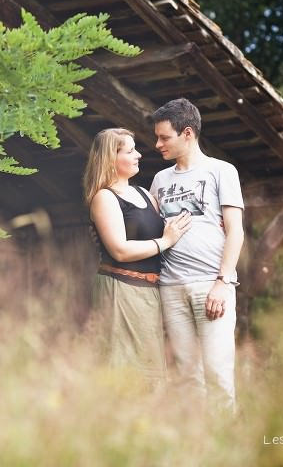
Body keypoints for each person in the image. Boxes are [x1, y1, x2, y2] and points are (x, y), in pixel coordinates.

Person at [148, 98, 245, 412]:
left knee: (218, 371)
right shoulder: (160, 180)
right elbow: (148, 227)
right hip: (171, 287)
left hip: (211, 286)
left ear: (187, 133)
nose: (157, 144)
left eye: (164, 137)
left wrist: (222, 281)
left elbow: (236, 231)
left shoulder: (221, 171)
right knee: (188, 375)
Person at [83, 127, 191, 389]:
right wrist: (165, 242)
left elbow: (170, 228)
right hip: (121, 288)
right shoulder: (104, 197)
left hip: (150, 292)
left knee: (151, 371)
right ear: (111, 158)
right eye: (130, 151)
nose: (139, 155)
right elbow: (120, 250)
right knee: (123, 369)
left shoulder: (145, 194)